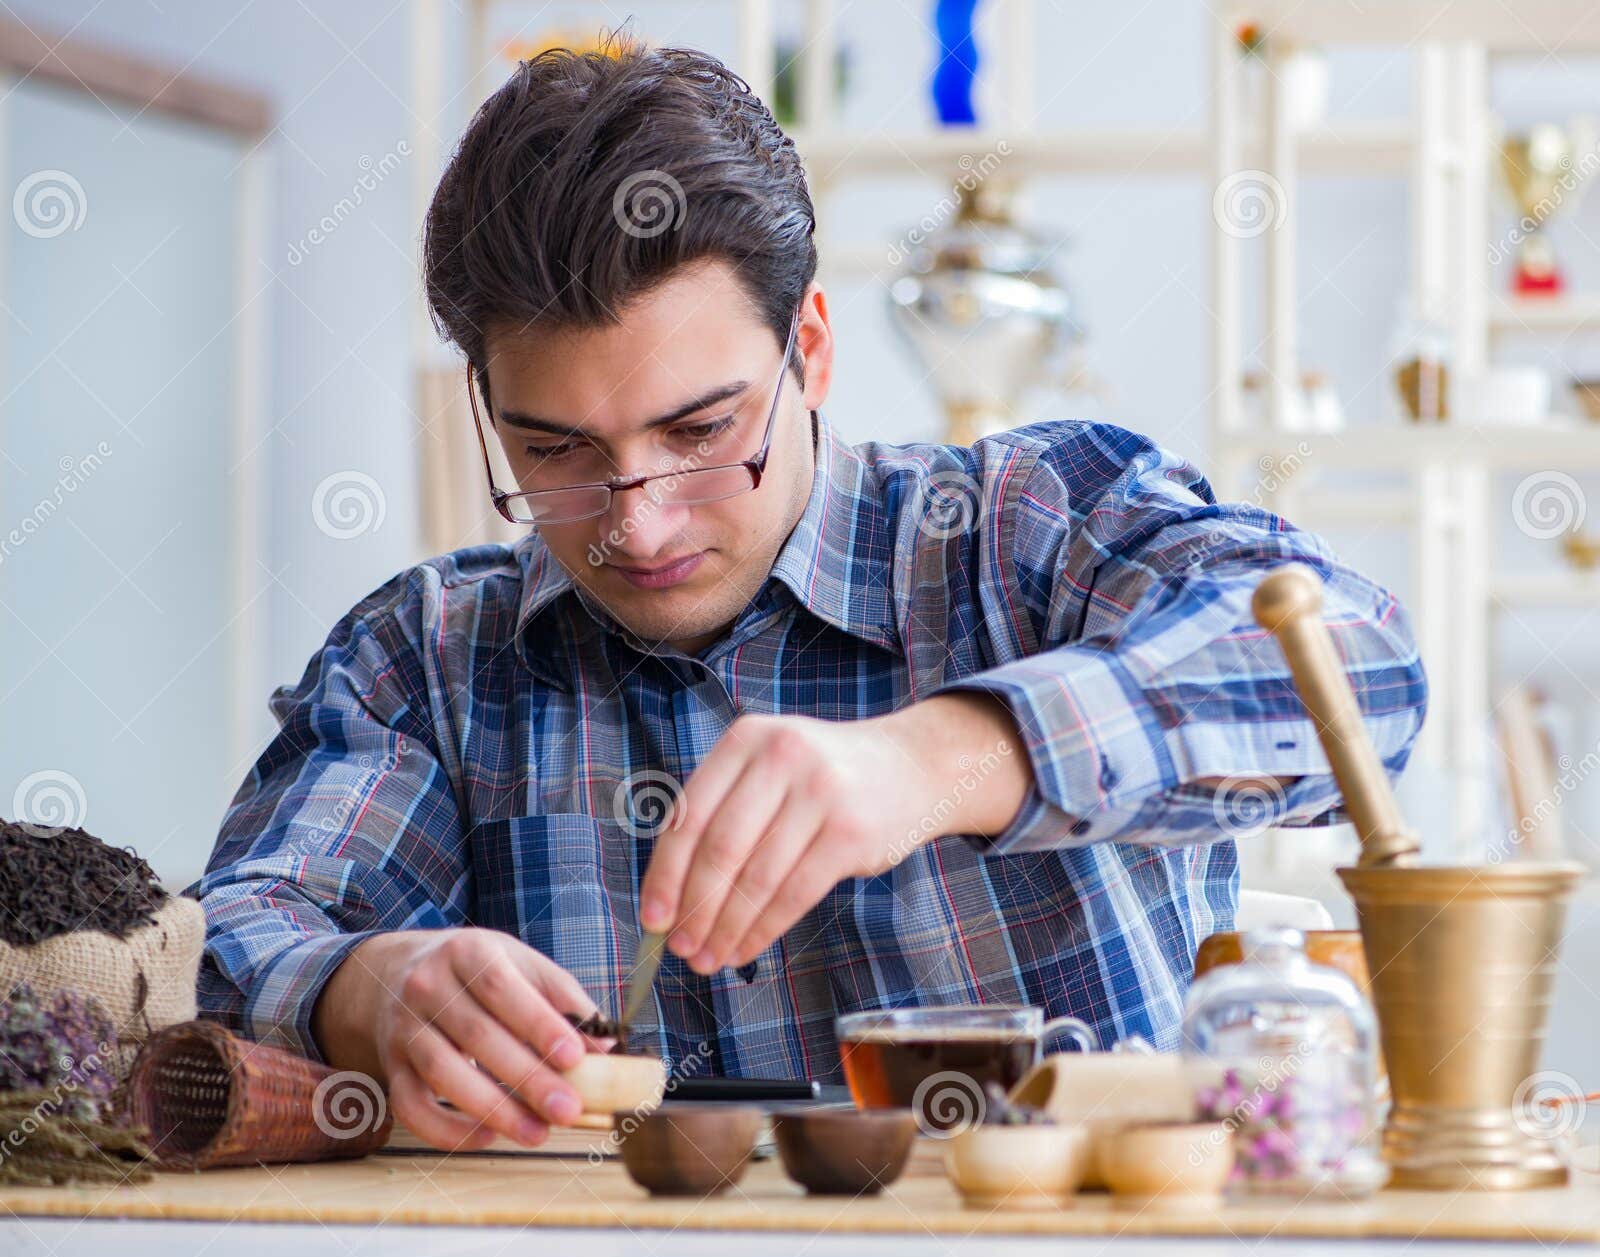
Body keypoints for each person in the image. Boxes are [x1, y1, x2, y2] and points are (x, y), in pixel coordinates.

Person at [190, 40, 1426, 1152]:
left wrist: (948, 757)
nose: (637, 520)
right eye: (555, 451)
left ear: (811, 350)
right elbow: (222, 939)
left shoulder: (1023, 529)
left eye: (703, 427)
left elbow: (1361, 671)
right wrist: (363, 986)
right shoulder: (432, 657)